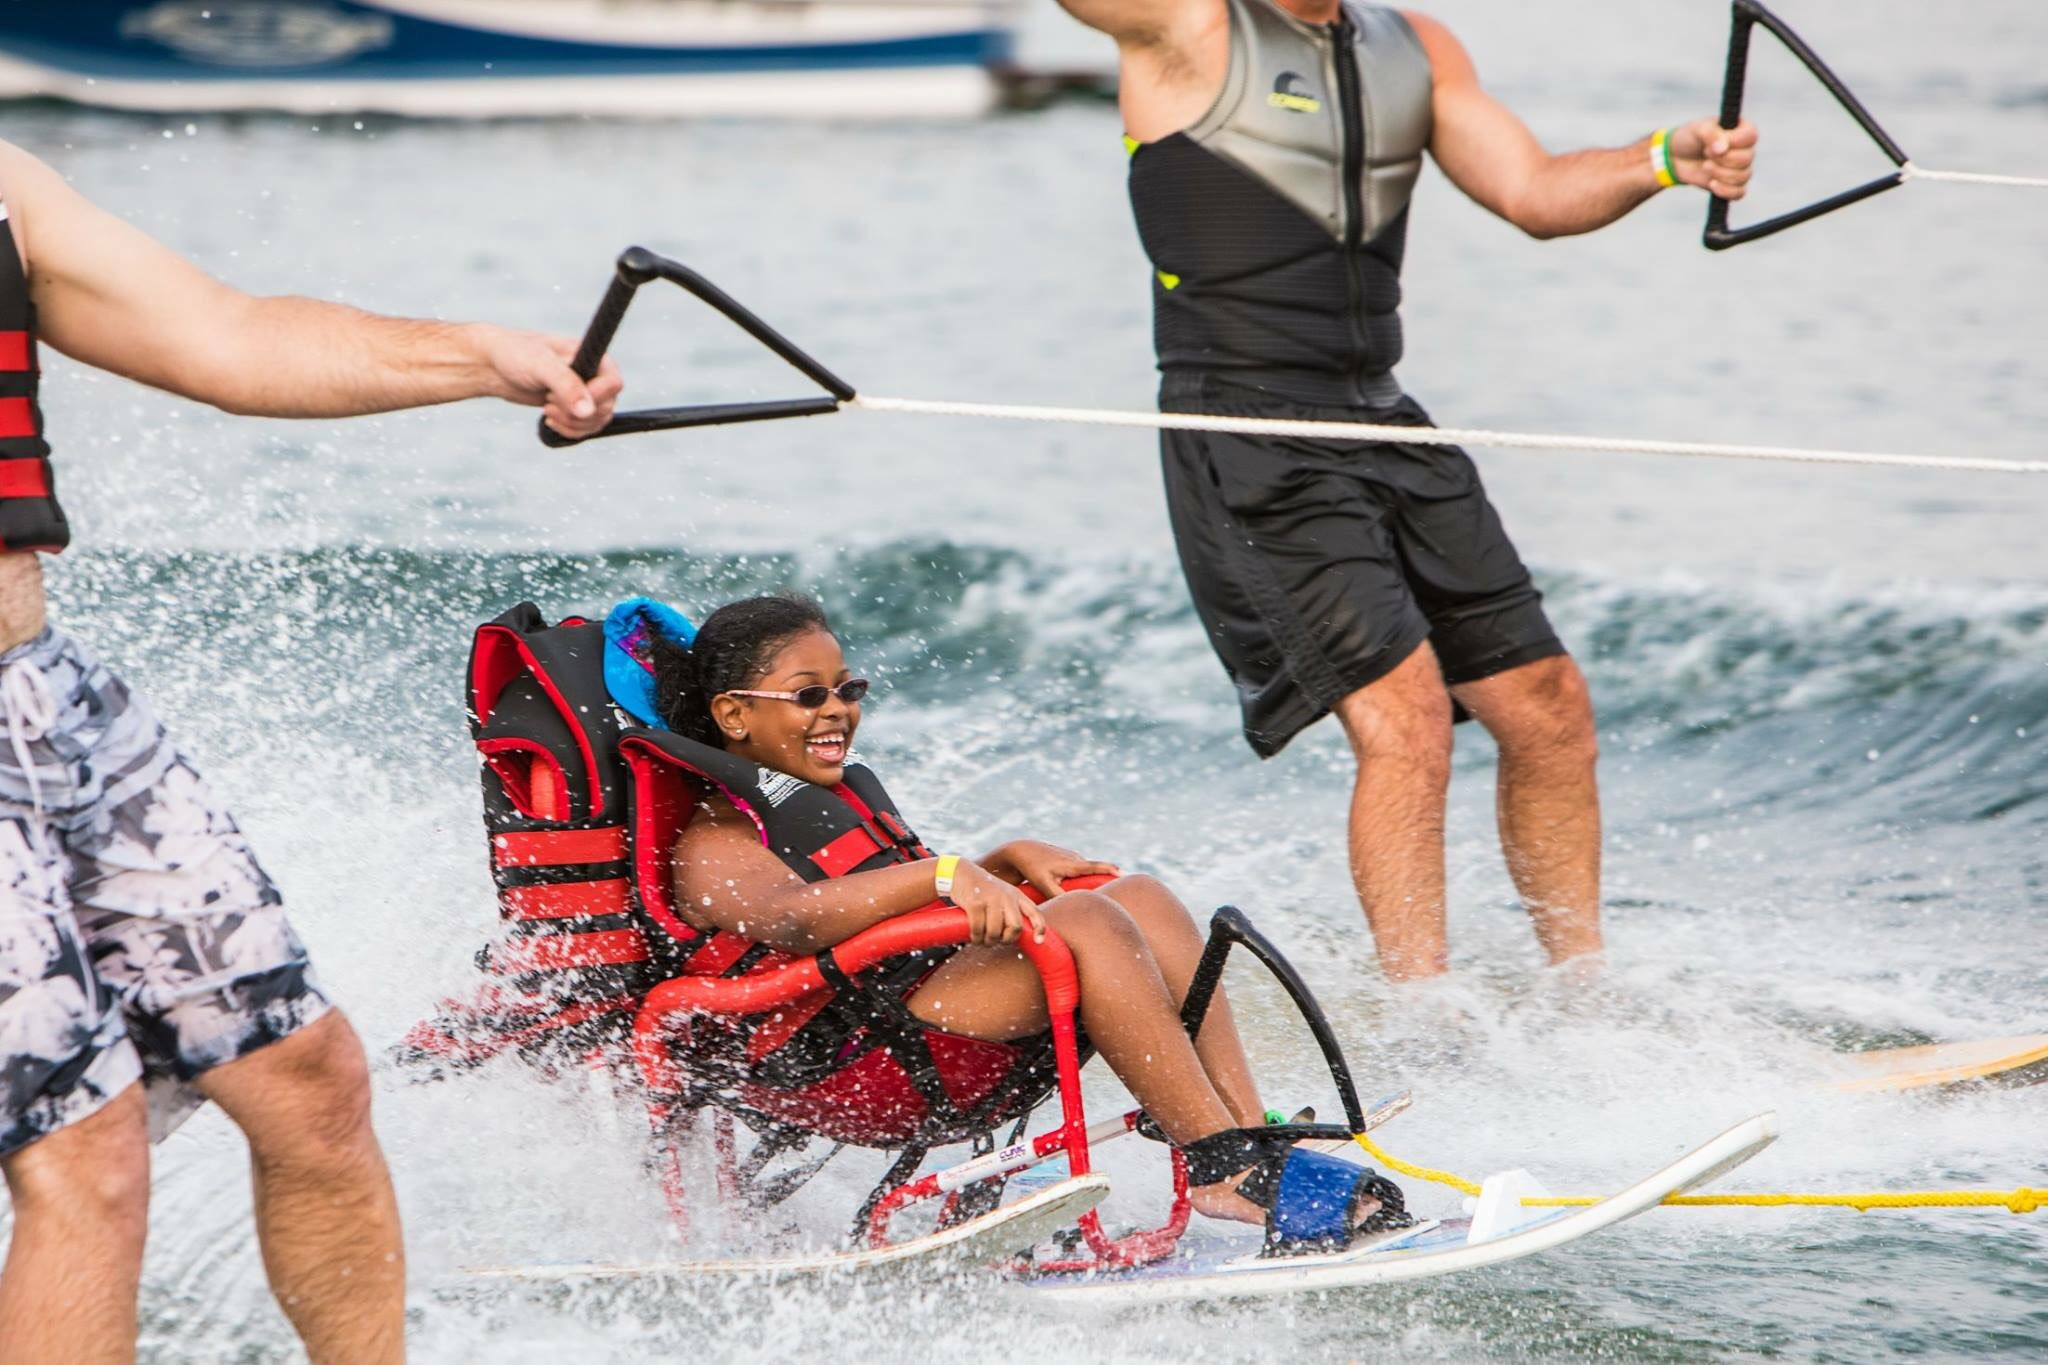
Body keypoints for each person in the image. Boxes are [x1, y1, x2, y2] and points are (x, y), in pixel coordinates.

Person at [0, 138, 621, 1365]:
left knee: (307, 1079)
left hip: (42, 692)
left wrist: (484, 357)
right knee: (86, 1145)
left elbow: (230, 338)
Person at [1054, 0, 1760, 979]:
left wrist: (1660, 160)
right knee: (1407, 722)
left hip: (1380, 416)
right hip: (1246, 422)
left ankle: (1584, 1002)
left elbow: (1533, 190)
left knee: (1547, 705)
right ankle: (1420, 1027)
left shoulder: (1415, 47)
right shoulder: (1186, 24)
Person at [652, 593, 1408, 1245]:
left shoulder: (833, 796)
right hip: (855, 1061)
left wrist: (1000, 861)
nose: (839, 709)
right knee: (1081, 917)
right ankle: (1222, 1166)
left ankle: (1249, 1133)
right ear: (734, 714)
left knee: (1136, 894)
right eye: (809, 695)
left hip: (911, 1008)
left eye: (848, 687)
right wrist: (946, 872)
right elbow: (793, 918)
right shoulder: (715, 839)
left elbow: (882, 892)